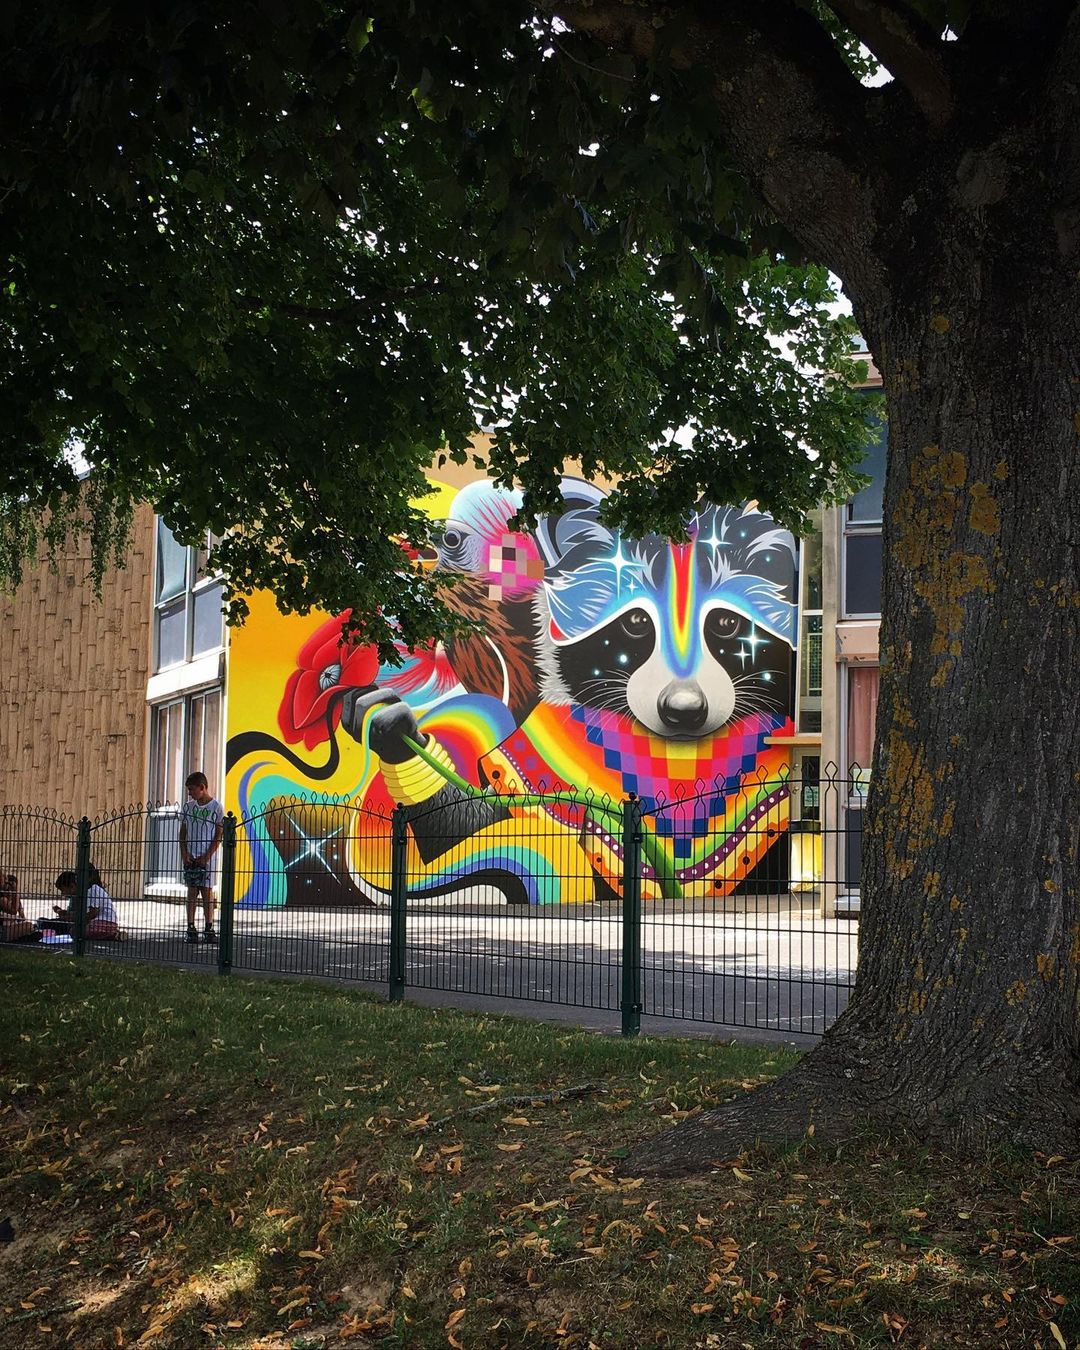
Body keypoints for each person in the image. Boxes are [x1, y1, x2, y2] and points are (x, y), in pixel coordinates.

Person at [179, 771, 224, 944]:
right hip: (191, 855)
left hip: (207, 858)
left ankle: (209, 926)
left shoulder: (216, 807)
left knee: (207, 891)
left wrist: (207, 856)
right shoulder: (188, 808)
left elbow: (218, 835)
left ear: (202, 788)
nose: (190, 793)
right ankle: (190, 926)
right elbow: (183, 833)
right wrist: (185, 854)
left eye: (192, 789)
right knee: (192, 891)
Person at [47, 868, 120, 939]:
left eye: (63, 890)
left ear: (72, 886)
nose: (63, 893)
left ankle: (113, 934)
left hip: (104, 922)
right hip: (95, 922)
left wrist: (73, 918)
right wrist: (66, 914)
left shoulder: (92, 890)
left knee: (74, 931)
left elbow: (92, 914)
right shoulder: (81, 894)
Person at [0, 873, 38, 943]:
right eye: (4, 878)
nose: (6, 881)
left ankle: (22, 936)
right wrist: (15, 891)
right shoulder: (2, 899)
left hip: (7, 925)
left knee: (27, 925)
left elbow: (21, 913)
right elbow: (13, 911)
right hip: (2, 930)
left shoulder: (6, 894)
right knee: (28, 926)